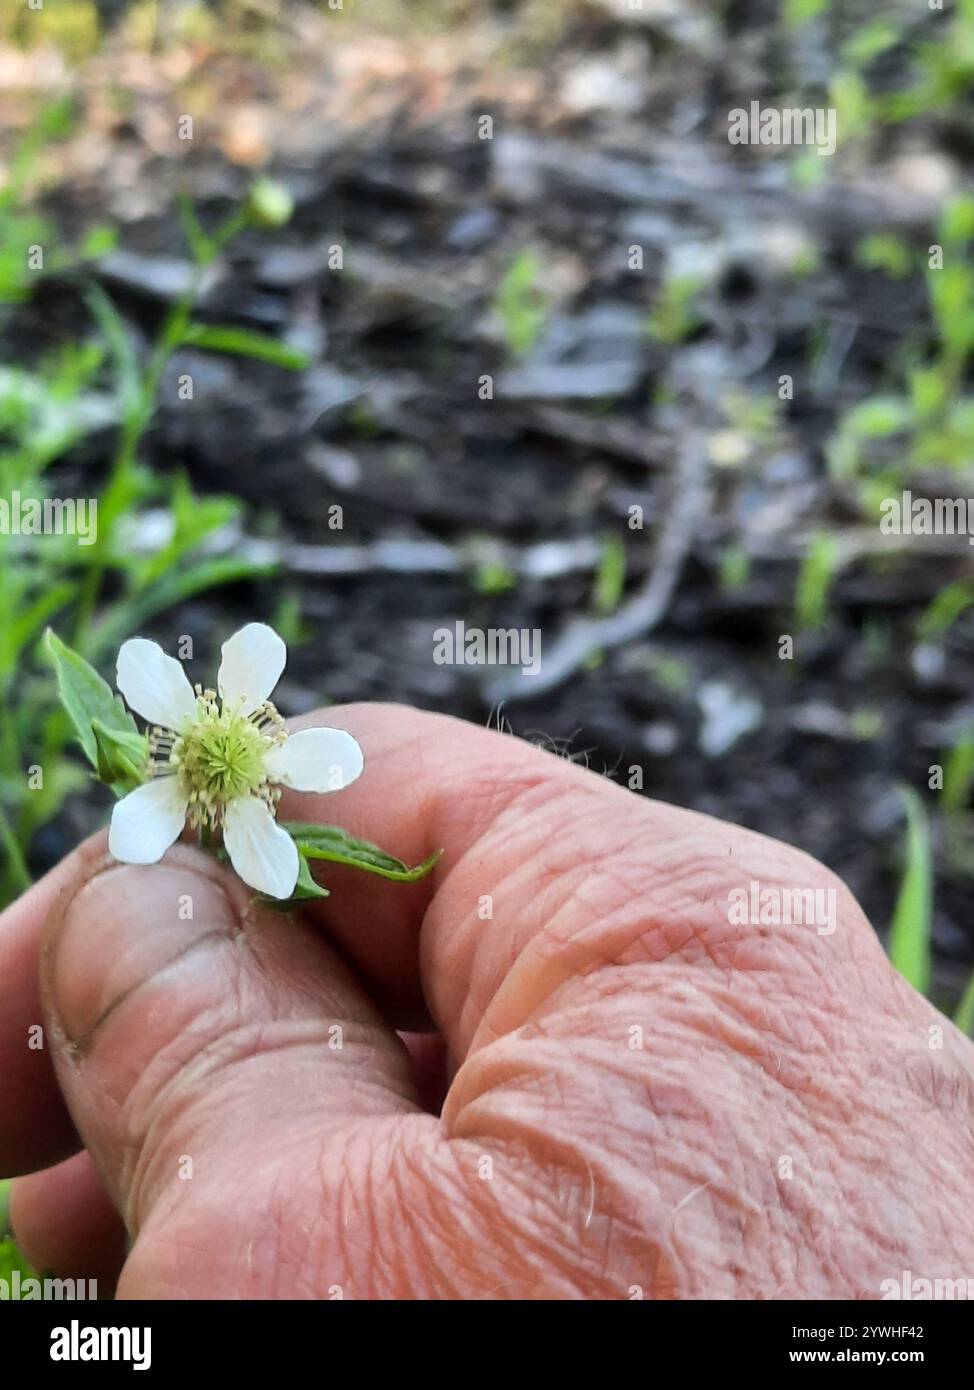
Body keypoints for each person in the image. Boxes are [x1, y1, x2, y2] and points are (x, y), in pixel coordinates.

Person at [1, 704, 972, 1299]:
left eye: (225, 750)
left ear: (243, 740)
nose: (214, 757)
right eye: (207, 752)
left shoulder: (263, 809)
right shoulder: (172, 801)